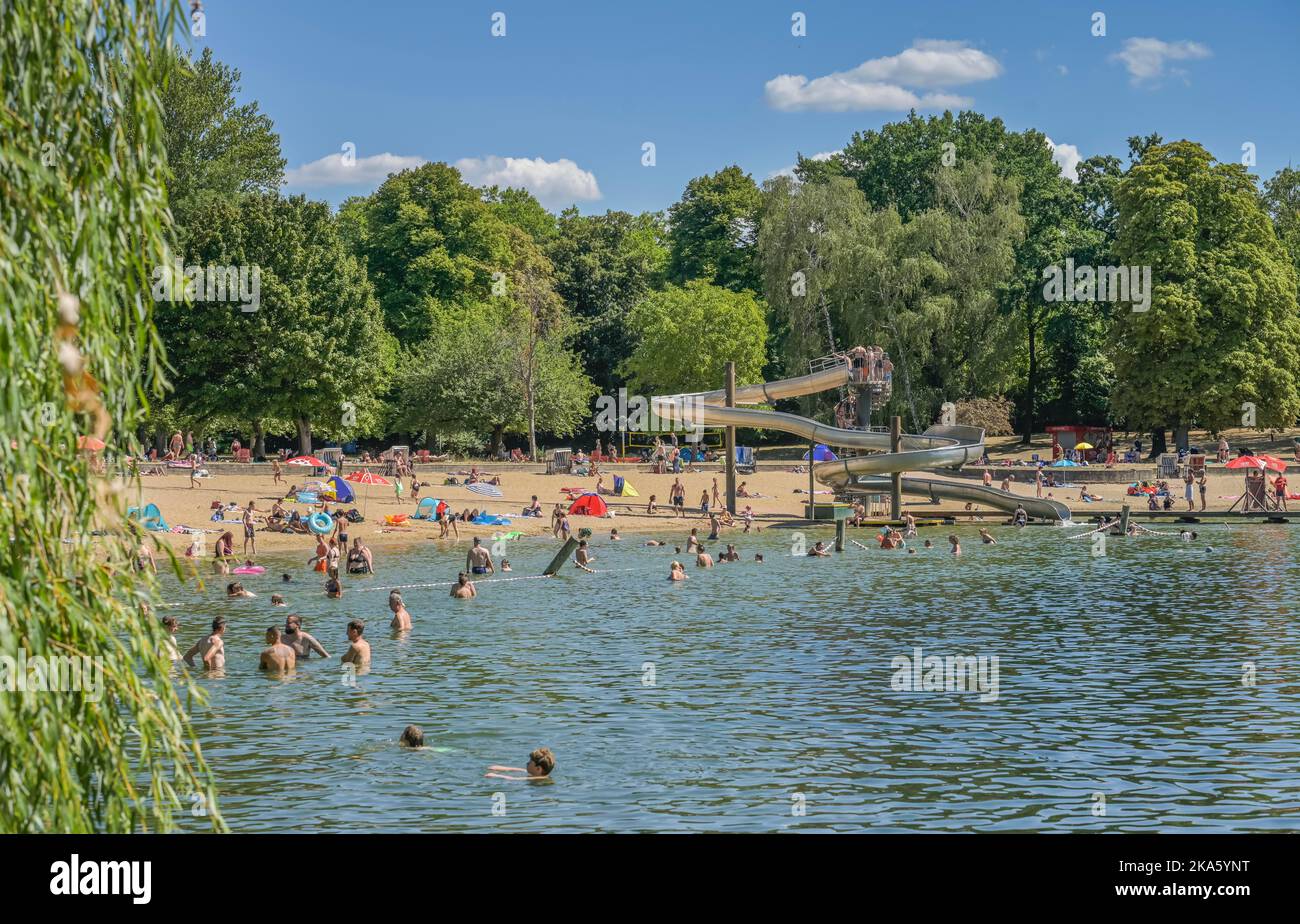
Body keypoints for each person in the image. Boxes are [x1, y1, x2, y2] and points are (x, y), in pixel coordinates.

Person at [485, 747, 556, 781]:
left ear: (538, 769)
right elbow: (513, 769)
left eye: (530, 762)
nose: (527, 763)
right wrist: (497, 768)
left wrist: (496, 775)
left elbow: (513, 779)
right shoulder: (536, 773)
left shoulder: (539, 778)